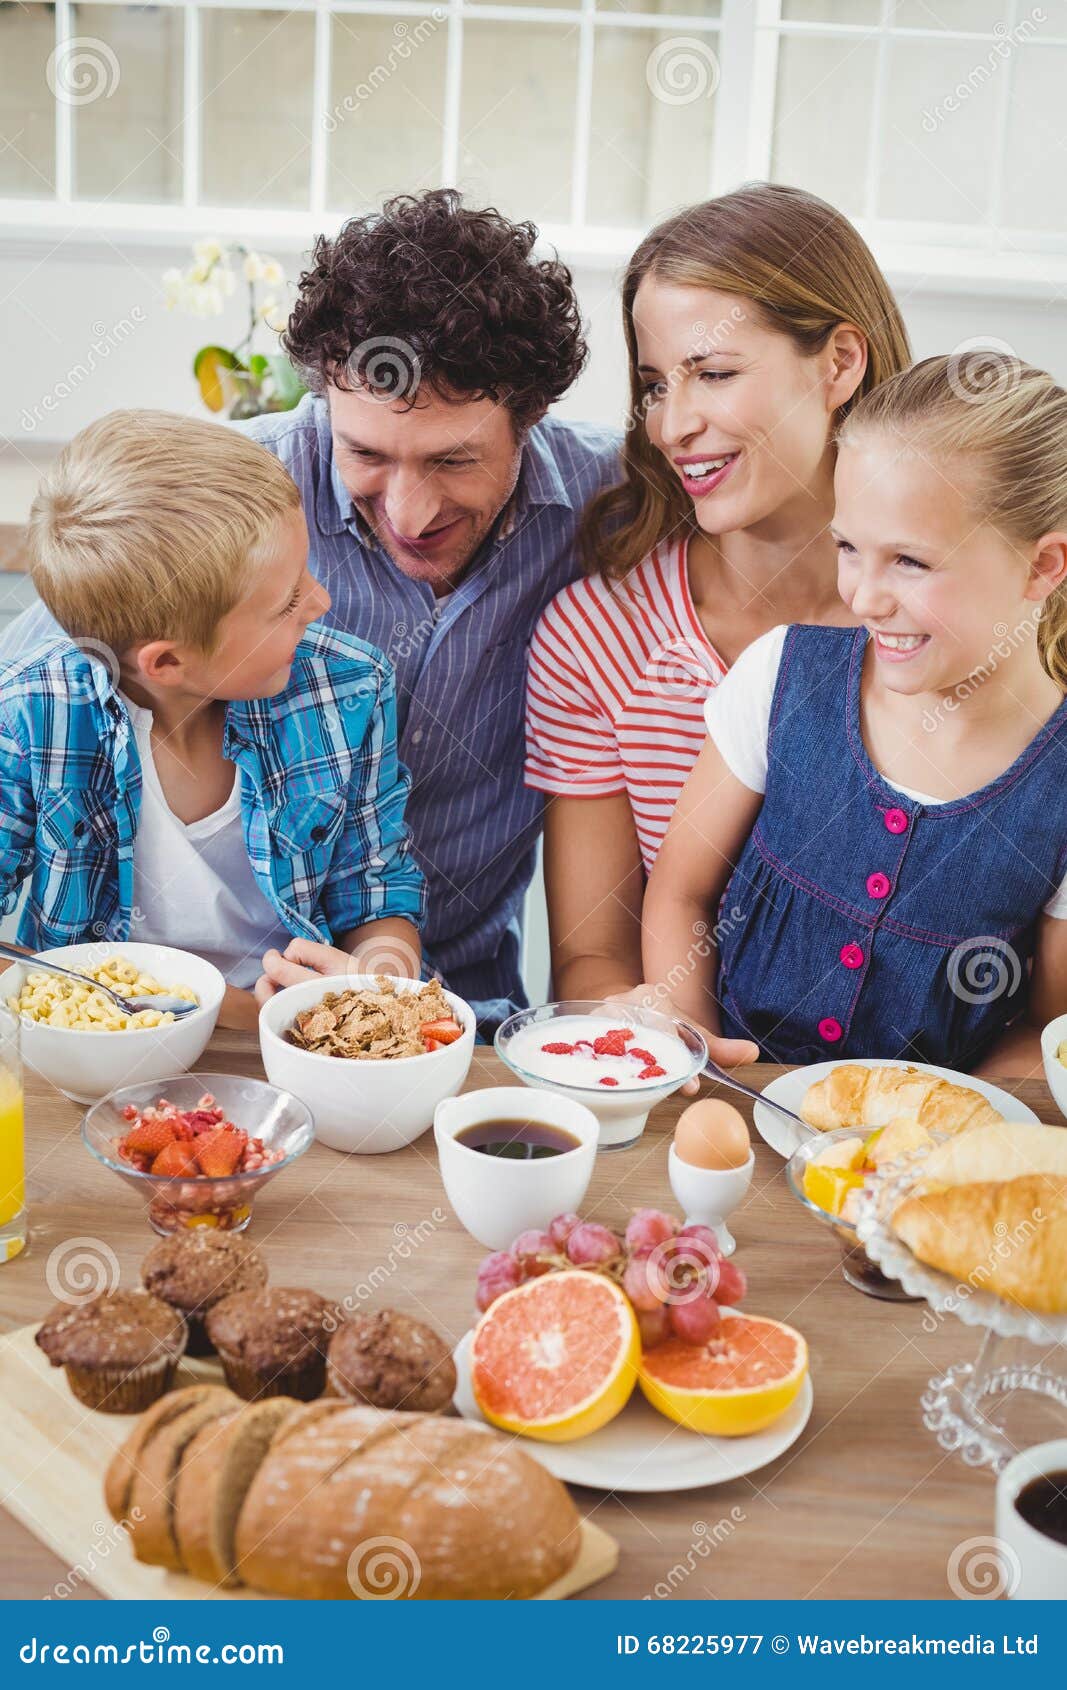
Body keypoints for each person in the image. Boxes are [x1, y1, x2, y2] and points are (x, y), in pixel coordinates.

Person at [0, 191, 619, 1037]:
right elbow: (67, 661)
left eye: (453, 460)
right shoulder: (234, 507)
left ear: (530, 417)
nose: (407, 512)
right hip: (132, 1041)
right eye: (364, 452)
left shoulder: (612, 502)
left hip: (449, 1009)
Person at [525, 184, 911, 1043]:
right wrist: (667, 1045)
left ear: (839, 363)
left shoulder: (947, 631)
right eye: (656, 384)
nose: (672, 424)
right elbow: (592, 961)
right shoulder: (597, 638)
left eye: (714, 374)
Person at [643, 354, 1067, 1076]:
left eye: (908, 561)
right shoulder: (781, 673)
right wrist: (690, 1044)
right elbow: (681, 891)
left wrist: (930, 1135)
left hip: (919, 1160)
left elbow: (1044, 1027)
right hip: (731, 1099)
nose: (864, 597)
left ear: (1041, 566)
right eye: (847, 548)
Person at [0, 412, 424, 1029]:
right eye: (285, 602)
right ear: (167, 662)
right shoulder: (31, 714)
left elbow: (378, 890)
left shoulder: (349, 691)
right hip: (98, 1054)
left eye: (307, 573)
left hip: (289, 1044)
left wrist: (379, 985)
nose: (321, 602)